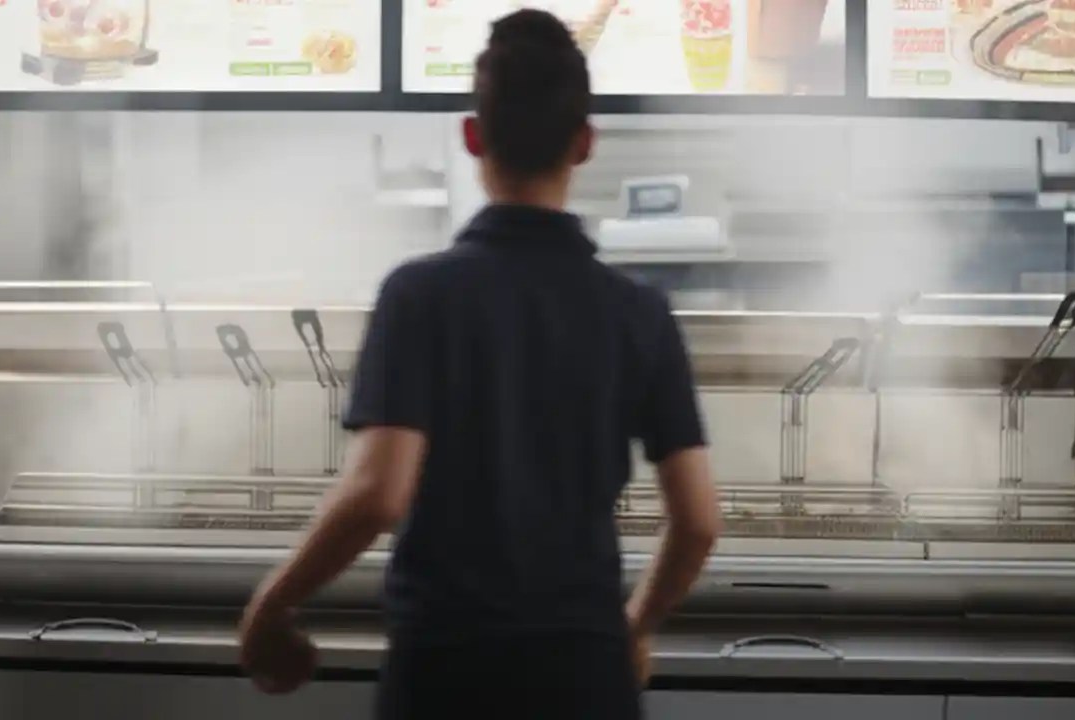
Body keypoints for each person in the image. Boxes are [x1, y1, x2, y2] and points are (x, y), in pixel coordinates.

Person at [238, 9, 721, 719]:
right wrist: (633, 625)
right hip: (585, 677)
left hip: (447, 673)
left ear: (473, 134)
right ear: (585, 145)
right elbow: (699, 521)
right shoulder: (637, 313)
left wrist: (269, 607)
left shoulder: (419, 295)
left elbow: (378, 493)